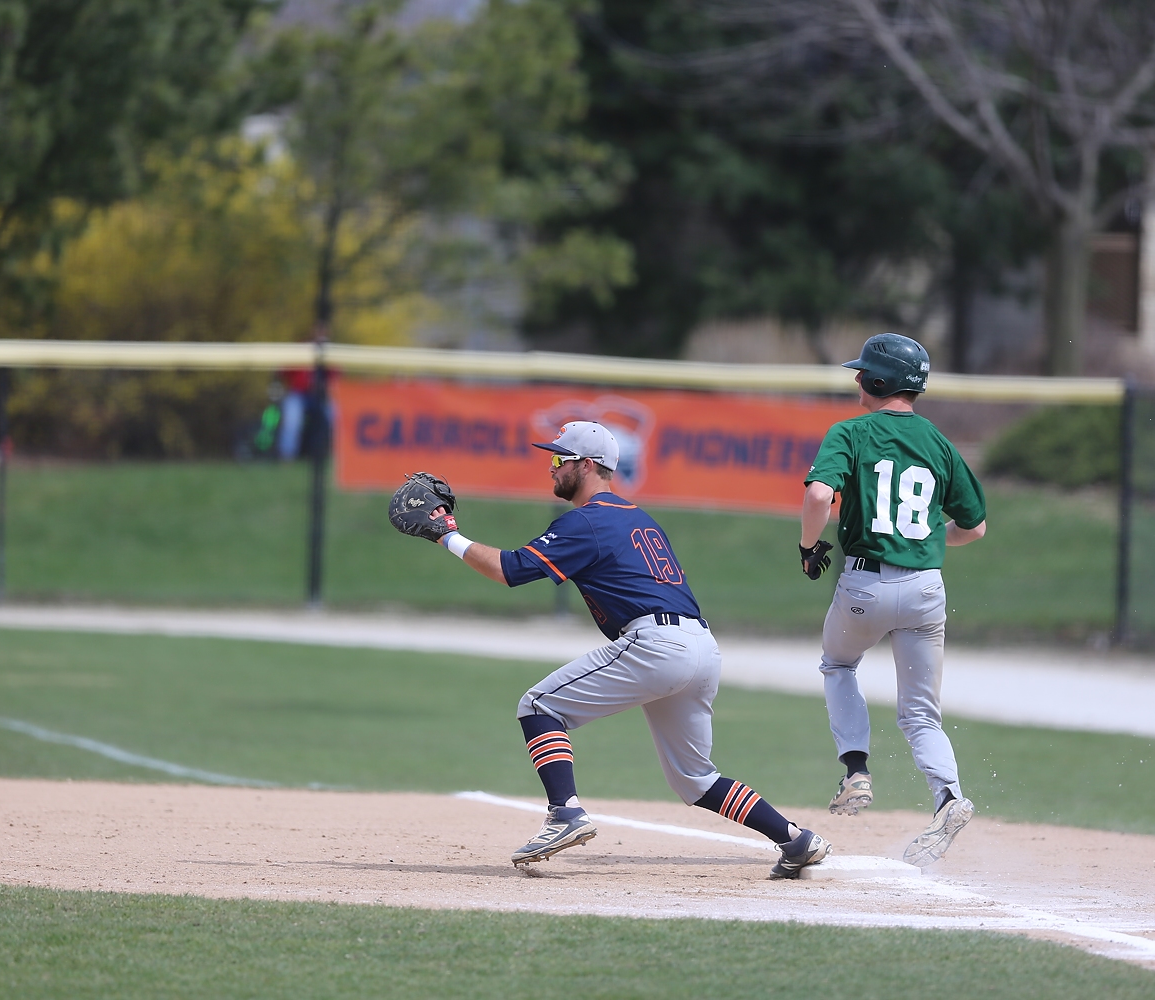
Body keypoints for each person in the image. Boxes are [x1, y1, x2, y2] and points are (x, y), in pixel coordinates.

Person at [414, 420, 830, 879]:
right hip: (701, 646)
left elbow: (509, 570)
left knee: (538, 706)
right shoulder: (637, 516)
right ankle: (795, 839)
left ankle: (565, 813)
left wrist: (444, 533)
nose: (551, 468)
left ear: (586, 465)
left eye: (559, 459)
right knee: (696, 779)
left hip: (657, 644)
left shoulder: (588, 520)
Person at [798, 333, 987, 868]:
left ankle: (855, 770)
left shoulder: (851, 432)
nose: (857, 380)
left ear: (878, 382)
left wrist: (809, 546)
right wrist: (925, 538)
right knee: (922, 715)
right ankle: (949, 797)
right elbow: (973, 527)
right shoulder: (939, 442)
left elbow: (817, 495)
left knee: (838, 664)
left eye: (863, 373)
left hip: (865, 582)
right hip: (927, 587)